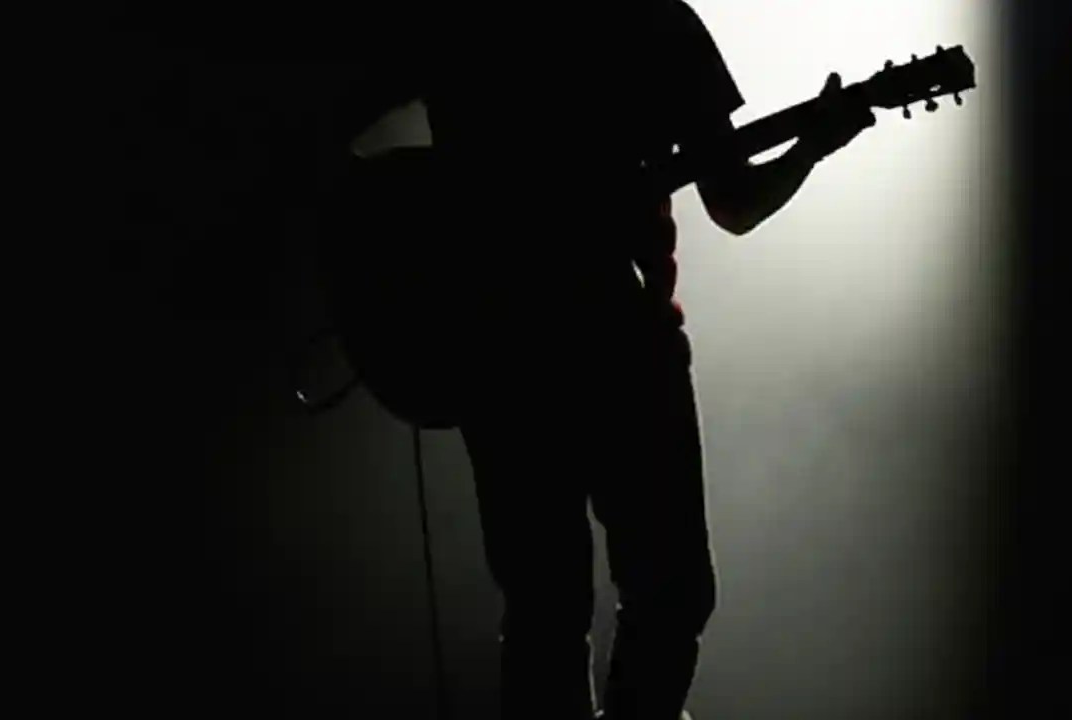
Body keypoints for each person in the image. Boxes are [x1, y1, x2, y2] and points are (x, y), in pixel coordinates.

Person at [327, 2, 875, 718]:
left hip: (509, 351)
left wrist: (406, 216)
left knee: (550, 605)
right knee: (661, 597)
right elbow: (734, 203)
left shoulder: (471, 23)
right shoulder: (656, 23)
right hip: (608, 349)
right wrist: (814, 146)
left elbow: (327, 135)